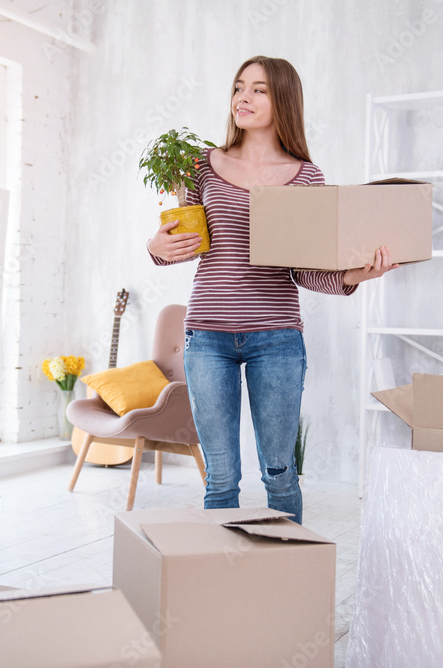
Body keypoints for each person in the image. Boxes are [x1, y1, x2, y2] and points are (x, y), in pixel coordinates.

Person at [147, 56, 397, 524]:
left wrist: (357, 276)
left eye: (259, 90)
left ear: (282, 98)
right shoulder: (199, 165)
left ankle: (288, 580)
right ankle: (226, 587)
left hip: (276, 338)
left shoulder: (306, 177)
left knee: (280, 473)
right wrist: (155, 247)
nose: (244, 97)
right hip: (207, 336)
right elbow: (182, 244)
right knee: (220, 477)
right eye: (239, 87)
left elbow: (305, 272)